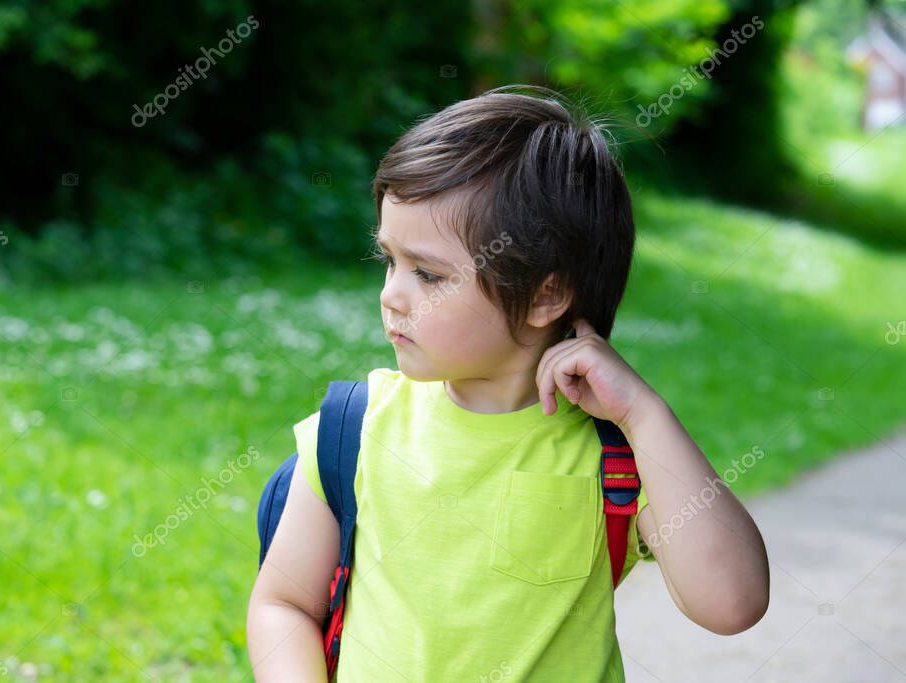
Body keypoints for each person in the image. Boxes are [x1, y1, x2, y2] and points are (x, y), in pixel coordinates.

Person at [246, 84, 769, 682]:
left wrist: (644, 415)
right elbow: (283, 604)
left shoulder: (614, 453)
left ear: (546, 295)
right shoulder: (352, 429)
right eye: (389, 260)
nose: (392, 295)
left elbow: (732, 603)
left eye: (428, 274)